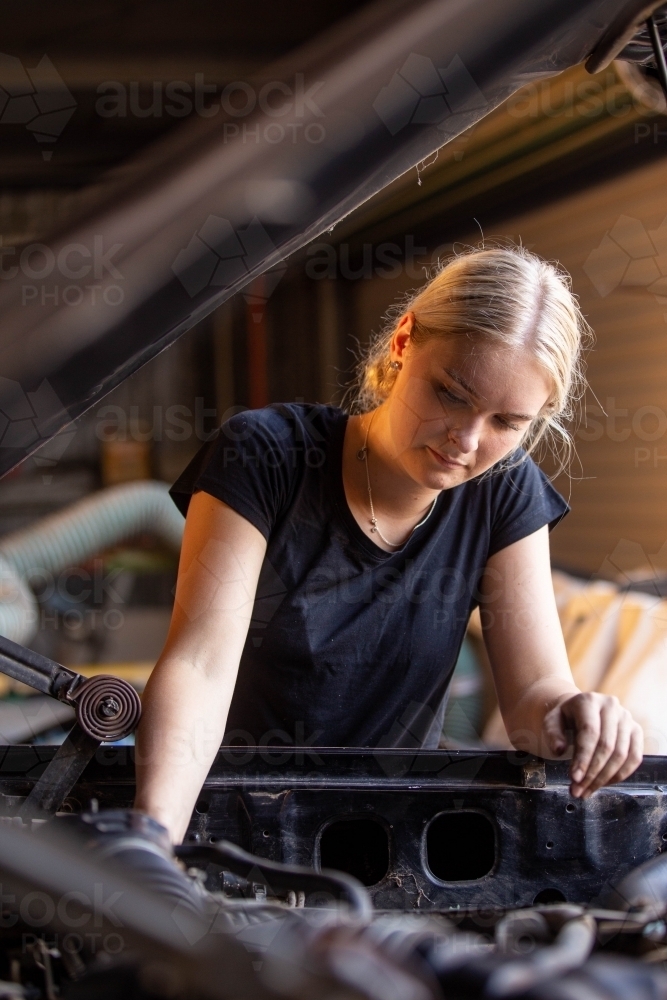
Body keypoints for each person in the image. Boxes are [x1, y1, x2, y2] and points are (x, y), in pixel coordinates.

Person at [134, 245, 644, 845]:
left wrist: (578, 719)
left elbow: (534, 697)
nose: (466, 440)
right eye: (452, 393)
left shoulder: (504, 491)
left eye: (507, 422)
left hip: (394, 845)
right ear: (404, 342)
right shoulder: (264, 456)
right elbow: (200, 666)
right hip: (232, 821)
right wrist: (153, 839)